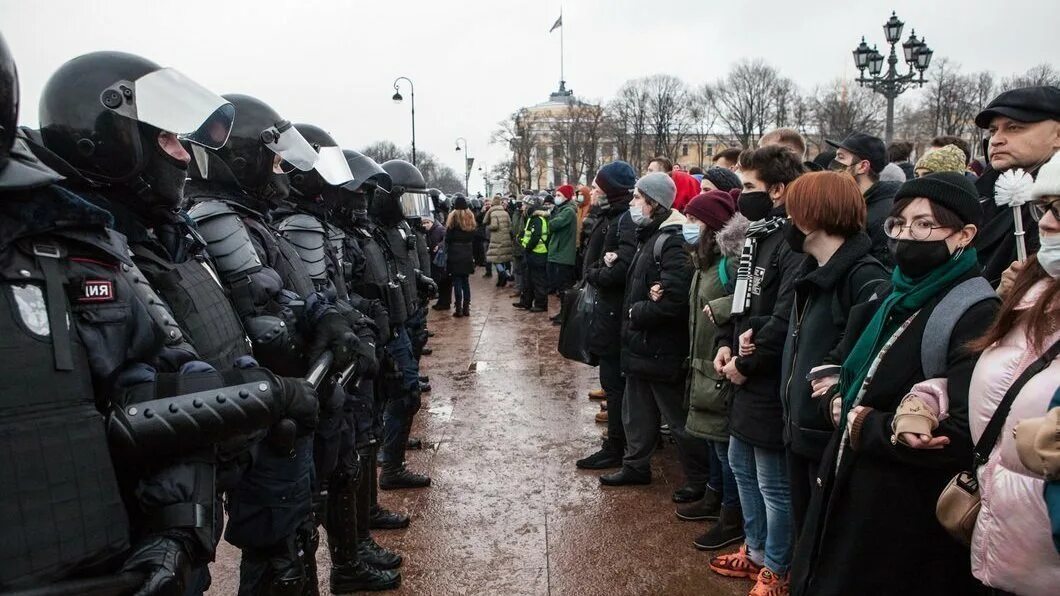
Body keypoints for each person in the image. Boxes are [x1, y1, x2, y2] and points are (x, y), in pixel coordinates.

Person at [789, 172, 999, 596]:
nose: (906, 235)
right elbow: (840, 362)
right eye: (898, 223)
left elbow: (961, 433)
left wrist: (866, 425)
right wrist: (832, 396)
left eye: (924, 224)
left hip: (900, 517)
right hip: (846, 485)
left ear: (964, 235)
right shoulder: (890, 295)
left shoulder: (975, 311)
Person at [962, 151, 1060, 595]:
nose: (1049, 224)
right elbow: (997, 375)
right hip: (1003, 539)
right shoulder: (1029, 291)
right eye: (1045, 208)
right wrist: (927, 398)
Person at [709, 146, 804, 595]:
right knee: (739, 464)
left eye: (749, 187)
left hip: (768, 377)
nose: (741, 196)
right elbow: (744, 306)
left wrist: (747, 363)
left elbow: (784, 315)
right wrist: (726, 347)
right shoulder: (756, 236)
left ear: (779, 190)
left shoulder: (793, 240)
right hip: (744, 370)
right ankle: (756, 549)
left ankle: (778, 568)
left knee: (773, 483)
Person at [776, 172, 889, 535]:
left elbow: (862, 353)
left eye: (794, 212)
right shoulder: (814, 272)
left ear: (811, 217)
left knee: (822, 534)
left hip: (827, 434)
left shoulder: (864, 277)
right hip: (800, 428)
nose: (788, 221)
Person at [599, 172, 702, 493]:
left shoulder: (671, 240)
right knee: (637, 415)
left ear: (653, 203)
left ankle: (699, 481)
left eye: (638, 199)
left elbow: (673, 299)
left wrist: (636, 312)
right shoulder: (652, 234)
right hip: (641, 346)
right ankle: (635, 465)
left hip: (659, 347)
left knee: (677, 419)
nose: (632, 204)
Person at [671, 190, 749, 553]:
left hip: (719, 359)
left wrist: (719, 308)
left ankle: (730, 516)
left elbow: (747, 298)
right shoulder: (704, 259)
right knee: (711, 440)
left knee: (722, 446)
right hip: (702, 359)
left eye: (694, 219)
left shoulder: (729, 261)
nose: (689, 225)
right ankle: (713, 499)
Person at [574, 160, 638, 470]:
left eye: (600, 185)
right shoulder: (613, 214)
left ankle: (616, 446)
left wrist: (594, 274)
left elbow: (620, 266)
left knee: (614, 383)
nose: (594, 189)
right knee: (610, 380)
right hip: (607, 309)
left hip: (614, 311)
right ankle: (616, 442)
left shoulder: (623, 218)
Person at [973, 86, 1060, 286]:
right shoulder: (983, 192)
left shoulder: (1047, 208)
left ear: (1057, 135)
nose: (995, 140)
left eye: (1013, 128)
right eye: (993, 130)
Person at [827, 132, 897, 267]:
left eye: (840, 157)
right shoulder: (850, 204)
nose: (833, 164)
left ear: (863, 166)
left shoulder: (884, 214)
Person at [547, 184, 578, 324]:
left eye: (559, 195)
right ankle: (563, 313)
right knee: (560, 288)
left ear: (566, 197)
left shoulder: (568, 211)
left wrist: (550, 215)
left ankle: (565, 315)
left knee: (564, 288)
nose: (556, 198)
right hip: (560, 253)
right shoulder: (563, 209)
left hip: (563, 254)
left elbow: (553, 225)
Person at [515, 195, 550, 312]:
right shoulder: (532, 218)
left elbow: (535, 237)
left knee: (538, 280)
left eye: (525, 204)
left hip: (538, 254)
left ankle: (541, 304)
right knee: (528, 279)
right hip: (532, 254)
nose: (522, 207)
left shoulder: (537, 219)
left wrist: (527, 248)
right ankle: (526, 302)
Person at [446, 195, 477, 317]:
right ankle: (466, 308)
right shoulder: (470, 218)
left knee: (457, 282)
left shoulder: (453, 218)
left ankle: (458, 308)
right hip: (467, 253)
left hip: (455, 254)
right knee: (466, 282)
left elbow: (447, 238)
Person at [485, 195, 513, 287]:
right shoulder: (505, 213)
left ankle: (503, 274)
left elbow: (494, 226)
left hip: (496, 238)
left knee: (496, 260)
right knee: (503, 259)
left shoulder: (493, 213)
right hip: (506, 238)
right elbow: (510, 225)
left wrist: (488, 227)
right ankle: (503, 277)